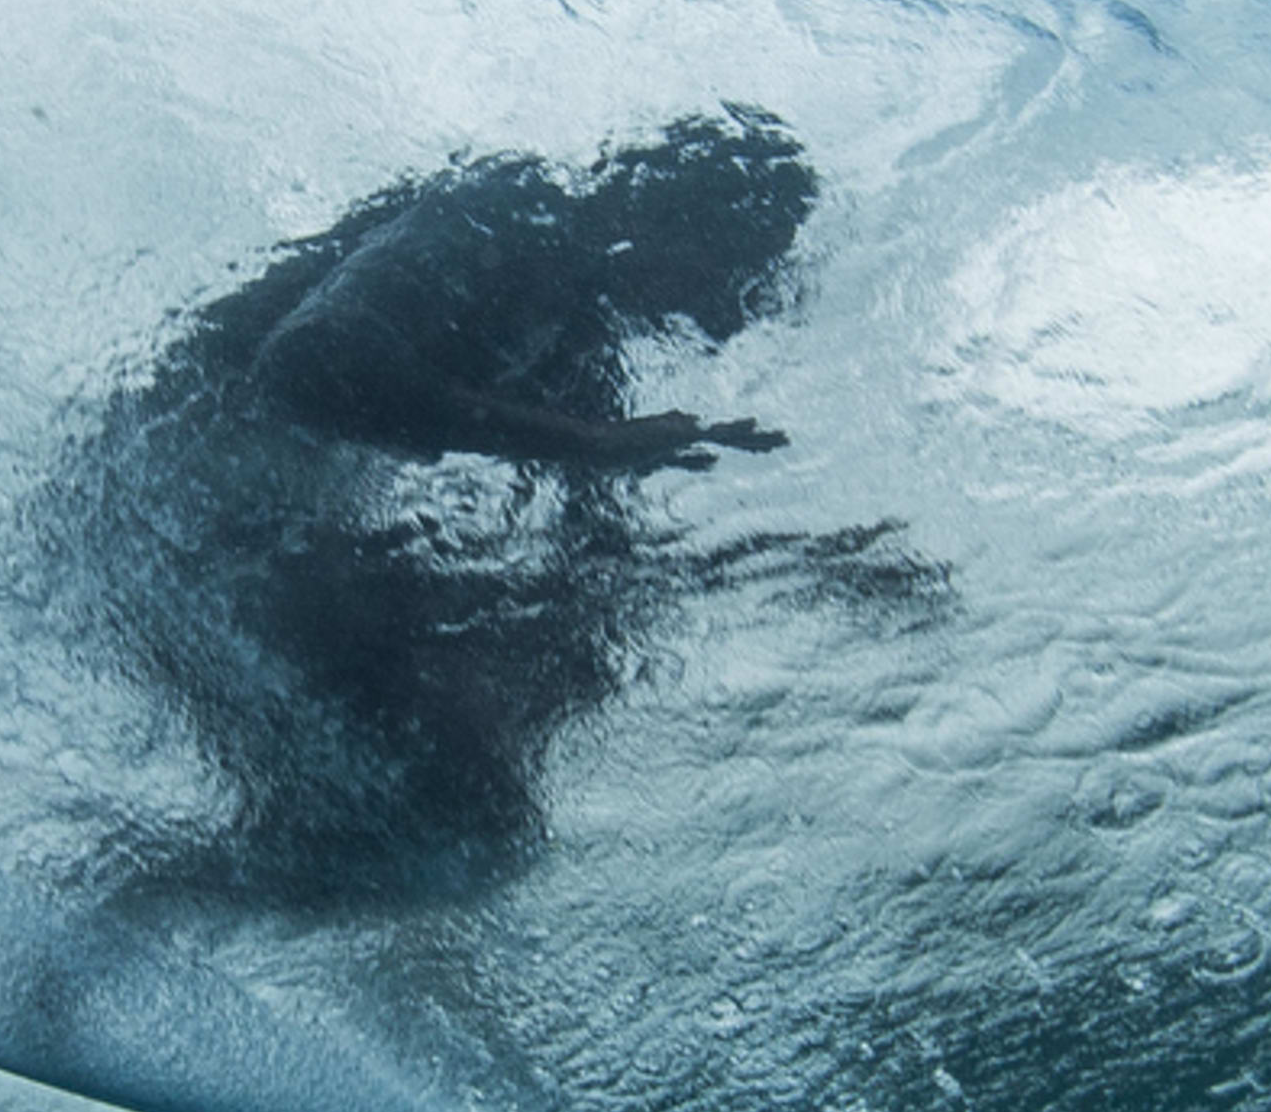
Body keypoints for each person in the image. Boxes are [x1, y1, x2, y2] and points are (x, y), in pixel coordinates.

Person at [68, 111, 885, 902]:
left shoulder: (586, 334)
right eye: (742, 260)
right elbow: (304, 369)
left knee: (486, 803)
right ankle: (117, 901)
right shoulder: (515, 211)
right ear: (675, 214)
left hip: (229, 532)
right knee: (466, 823)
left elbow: (599, 566)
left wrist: (798, 557)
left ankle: (136, 903)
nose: (742, 303)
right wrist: (590, 443)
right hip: (159, 508)